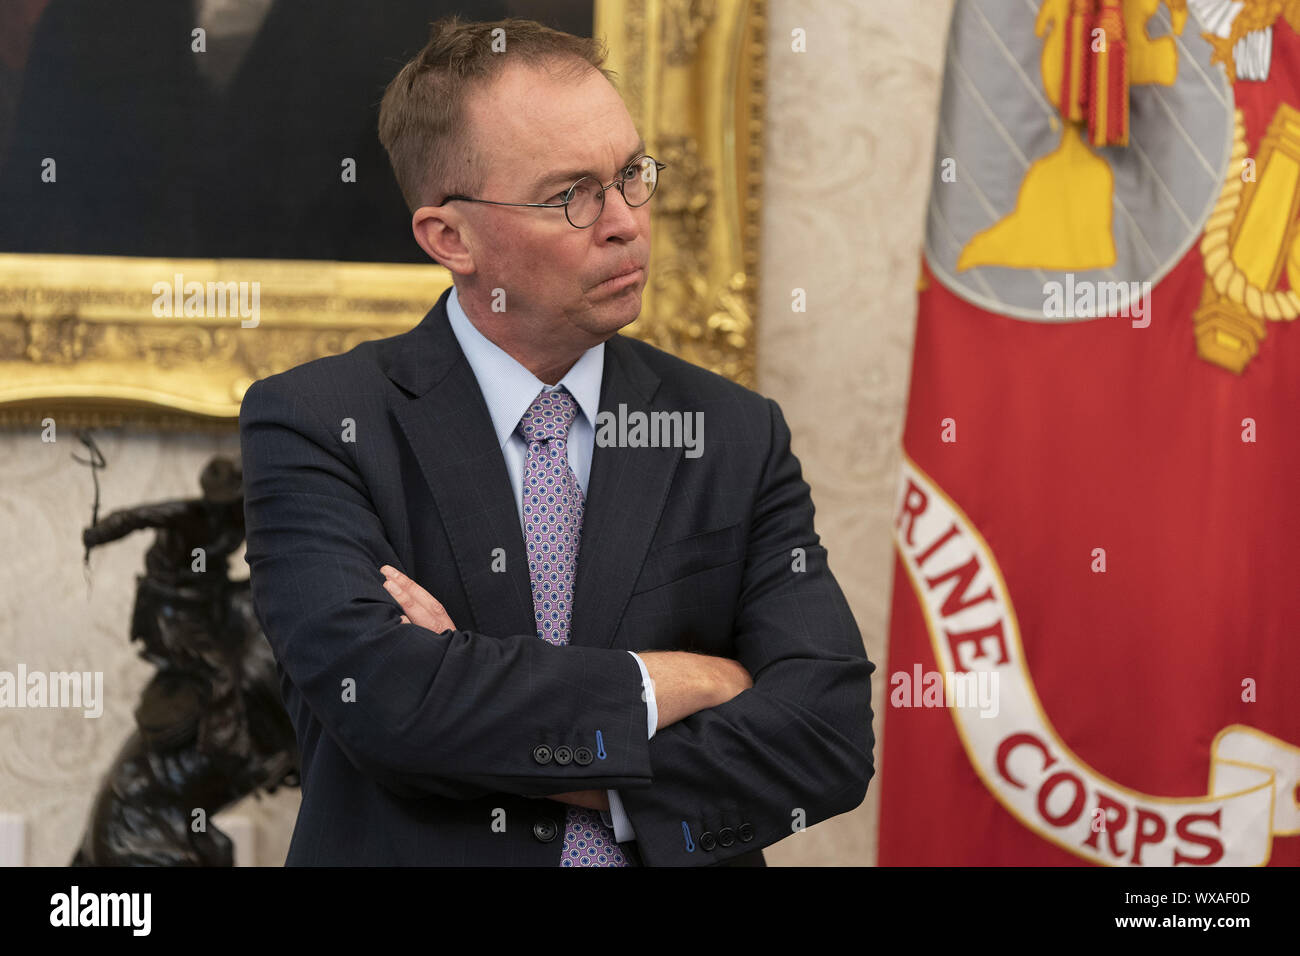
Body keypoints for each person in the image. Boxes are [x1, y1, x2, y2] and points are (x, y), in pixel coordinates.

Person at [239, 15, 875, 866]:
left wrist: (486, 719)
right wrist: (687, 681)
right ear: (449, 238)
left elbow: (825, 740)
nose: (625, 223)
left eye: (630, 175)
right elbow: (390, 707)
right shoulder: (318, 425)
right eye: (571, 194)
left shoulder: (731, 433)